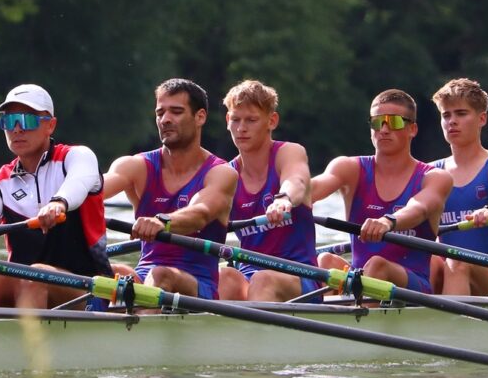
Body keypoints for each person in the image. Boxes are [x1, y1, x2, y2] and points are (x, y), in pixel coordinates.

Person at [0, 83, 113, 309]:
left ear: (50, 125)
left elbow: (77, 185)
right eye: (9, 121)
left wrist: (58, 203)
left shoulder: (77, 157)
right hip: (27, 287)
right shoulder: (0, 180)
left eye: (27, 120)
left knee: (36, 275)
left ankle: (27, 340)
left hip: (89, 290)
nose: (17, 129)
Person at [101, 78, 235, 298]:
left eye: (176, 112)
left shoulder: (221, 173)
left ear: (200, 117)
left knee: (161, 274)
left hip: (198, 284)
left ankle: (136, 325)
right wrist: (60, 204)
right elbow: (93, 193)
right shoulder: (135, 166)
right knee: (108, 272)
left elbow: (199, 214)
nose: (165, 120)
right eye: (160, 113)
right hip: (146, 275)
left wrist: (162, 221)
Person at [311, 89, 452, 293]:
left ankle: (351, 313)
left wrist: (387, 221)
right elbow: (315, 186)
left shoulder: (435, 178)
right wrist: (288, 197)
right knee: (325, 261)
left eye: (393, 122)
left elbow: (419, 208)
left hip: (413, 284)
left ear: (412, 129)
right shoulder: (349, 168)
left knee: (378, 264)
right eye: (377, 122)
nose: (384, 130)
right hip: (362, 278)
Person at [216, 79, 320, 302]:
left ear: (271, 121)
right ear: (227, 121)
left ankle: (252, 334)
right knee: (223, 276)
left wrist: (283, 199)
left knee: (263, 279)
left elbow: (297, 180)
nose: (241, 128)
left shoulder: (289, 152)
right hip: (248, 277)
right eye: (235, 120)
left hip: (301, 277)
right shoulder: (225, 174)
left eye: (251, 120)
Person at [429, 78, 488, 296]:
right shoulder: (431, 172)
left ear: (482, 119)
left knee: (457, 262)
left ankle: (449, 327)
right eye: (446, 115)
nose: (452, 121)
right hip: (448, 271)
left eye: (461, 114)